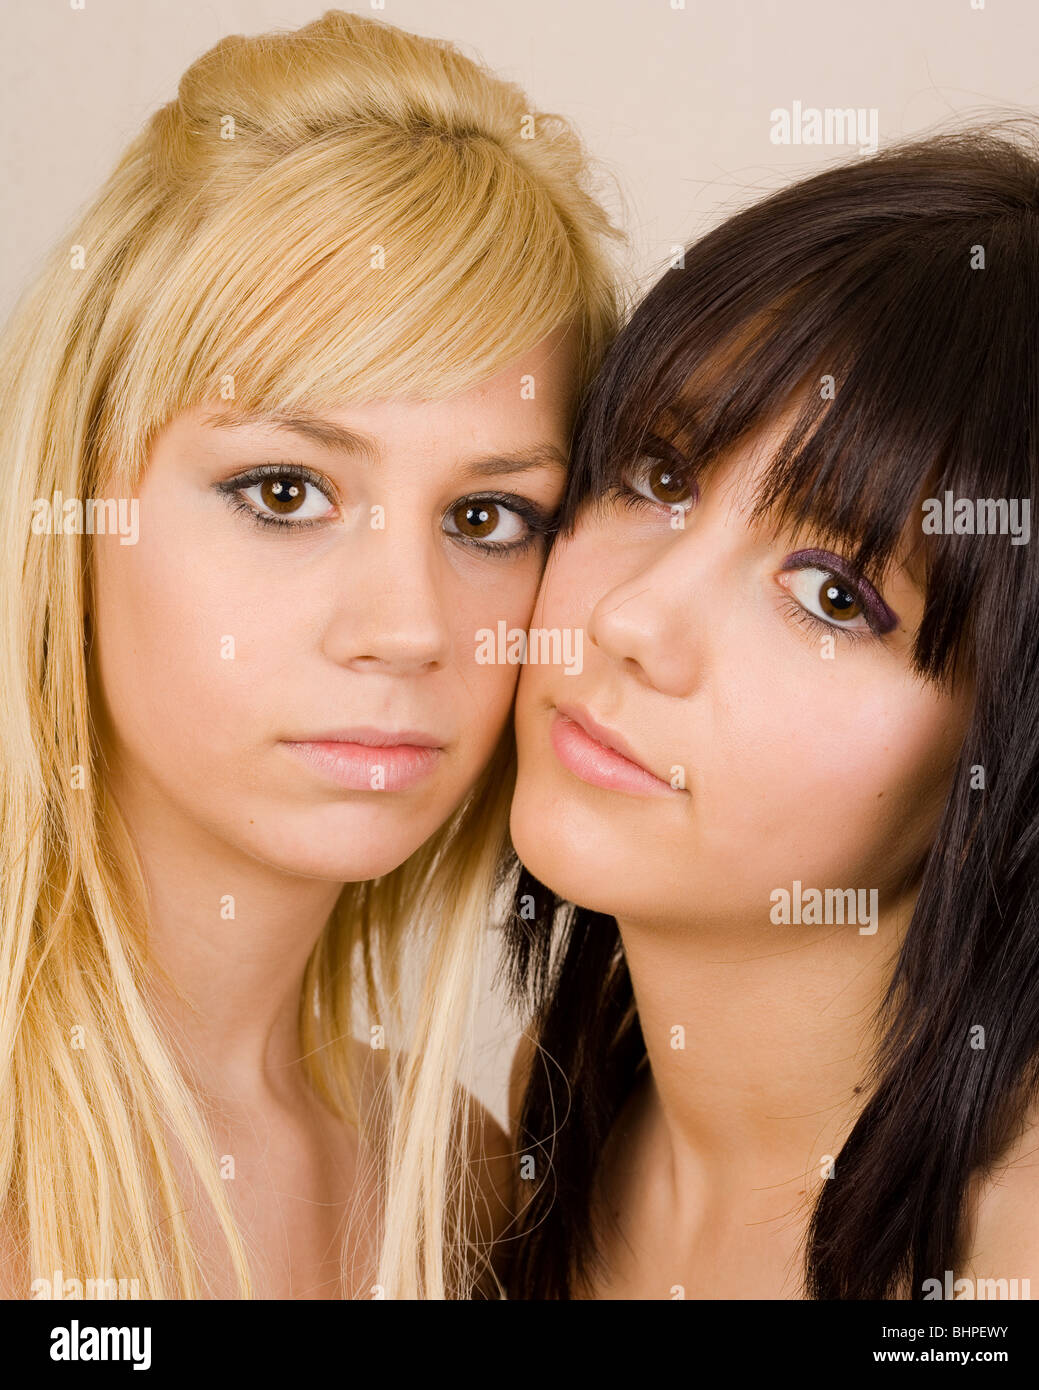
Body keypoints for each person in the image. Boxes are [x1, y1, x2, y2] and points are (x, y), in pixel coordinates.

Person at [0, 8, 621, 1299]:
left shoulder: (457, 1178)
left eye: (485, 517)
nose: (404, 626)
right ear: (69, 503)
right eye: (283, 490)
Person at [504, 120, 1039, 1300]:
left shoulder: (1018, 1258)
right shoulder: (563, 1112)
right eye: (658, 478)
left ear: (1010, 747)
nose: (632, 621)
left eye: (832, 594)